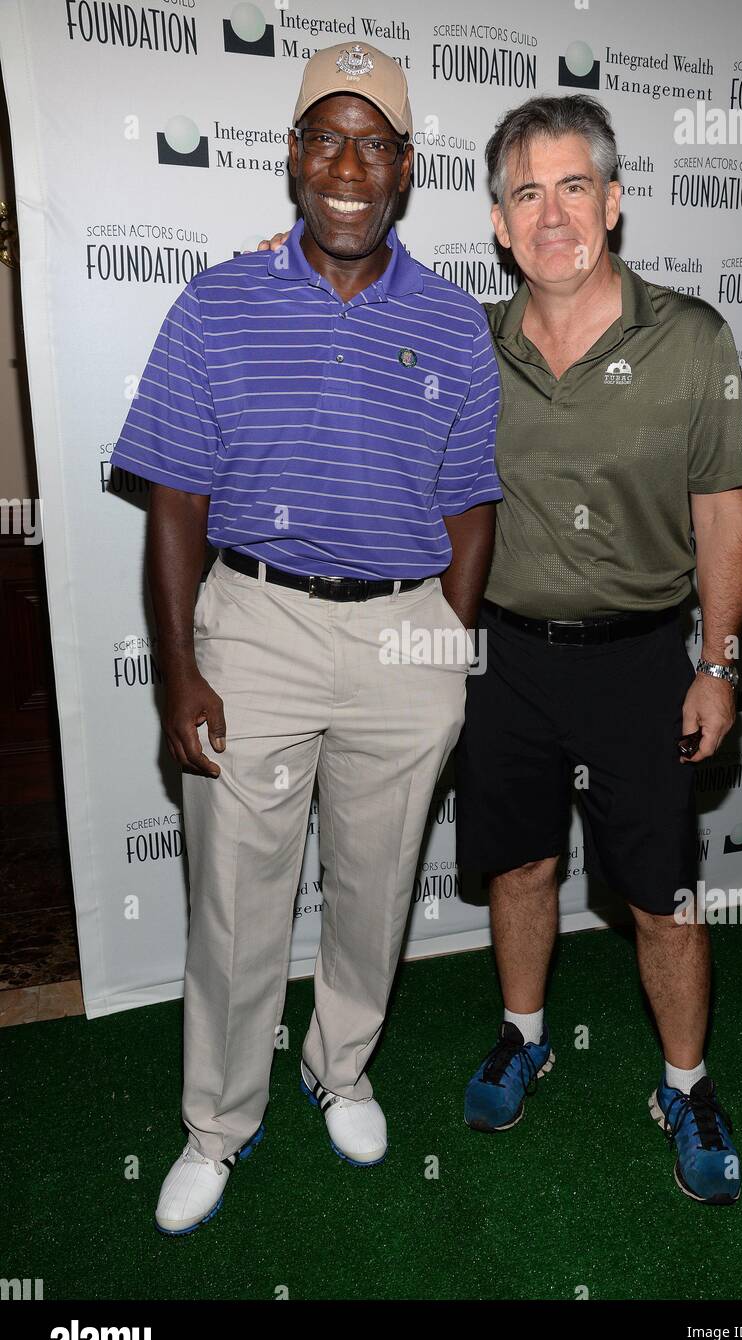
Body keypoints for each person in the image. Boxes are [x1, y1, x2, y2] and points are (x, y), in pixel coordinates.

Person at [259, 93, 742, 1206]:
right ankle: (521, 1035)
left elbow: (724, 510)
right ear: (495, 222)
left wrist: (717, 666)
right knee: (520, 865)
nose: (549, 213)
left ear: (614, 203)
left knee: (661, 896)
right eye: (523, 192)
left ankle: (685, 1084)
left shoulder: (690, 339)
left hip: (641, 661)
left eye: (572, 185)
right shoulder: (463, 342)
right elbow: (347, 352)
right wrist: (282, 267)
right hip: (501, 659)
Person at [113, 42, 501, 1235]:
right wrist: (180, 666)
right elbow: (173, 496)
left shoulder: (448, 322)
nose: (346, 165)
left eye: (371, 144)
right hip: (257, 626)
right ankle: (216, 1125)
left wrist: (448, 636)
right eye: (324, 138)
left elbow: (473, 500)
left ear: (403, 169)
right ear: (292, 157)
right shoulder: (214, 301)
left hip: (402, 628)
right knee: (236, 899)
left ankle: (340, 1066)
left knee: (377, 886)